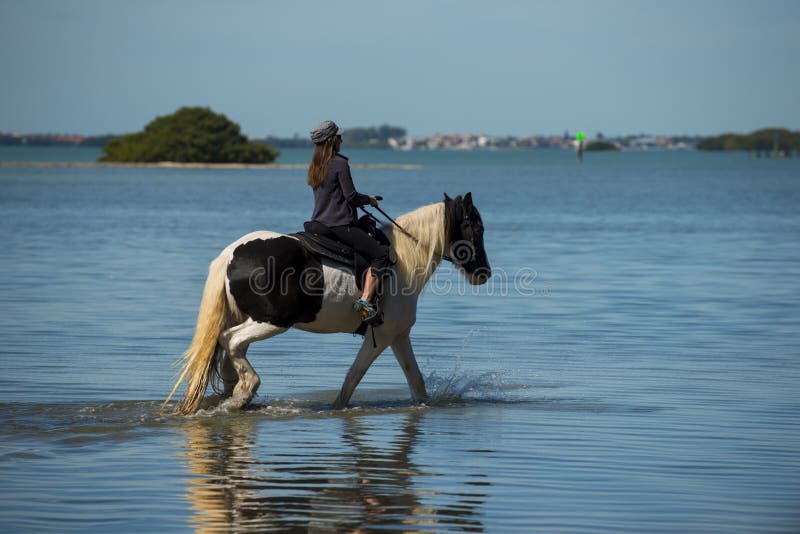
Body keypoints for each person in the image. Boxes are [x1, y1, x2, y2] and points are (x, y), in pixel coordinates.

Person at [307, 120, 389, 321]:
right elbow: (351, 196)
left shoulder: (316, 164)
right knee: (381, 254)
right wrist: (369, 200)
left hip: (318, 223)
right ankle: (365, 301)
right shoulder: (340, 163)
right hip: (339, 225)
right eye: (338, 136)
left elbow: (334, 195)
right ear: (330, 140)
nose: (341, 139)